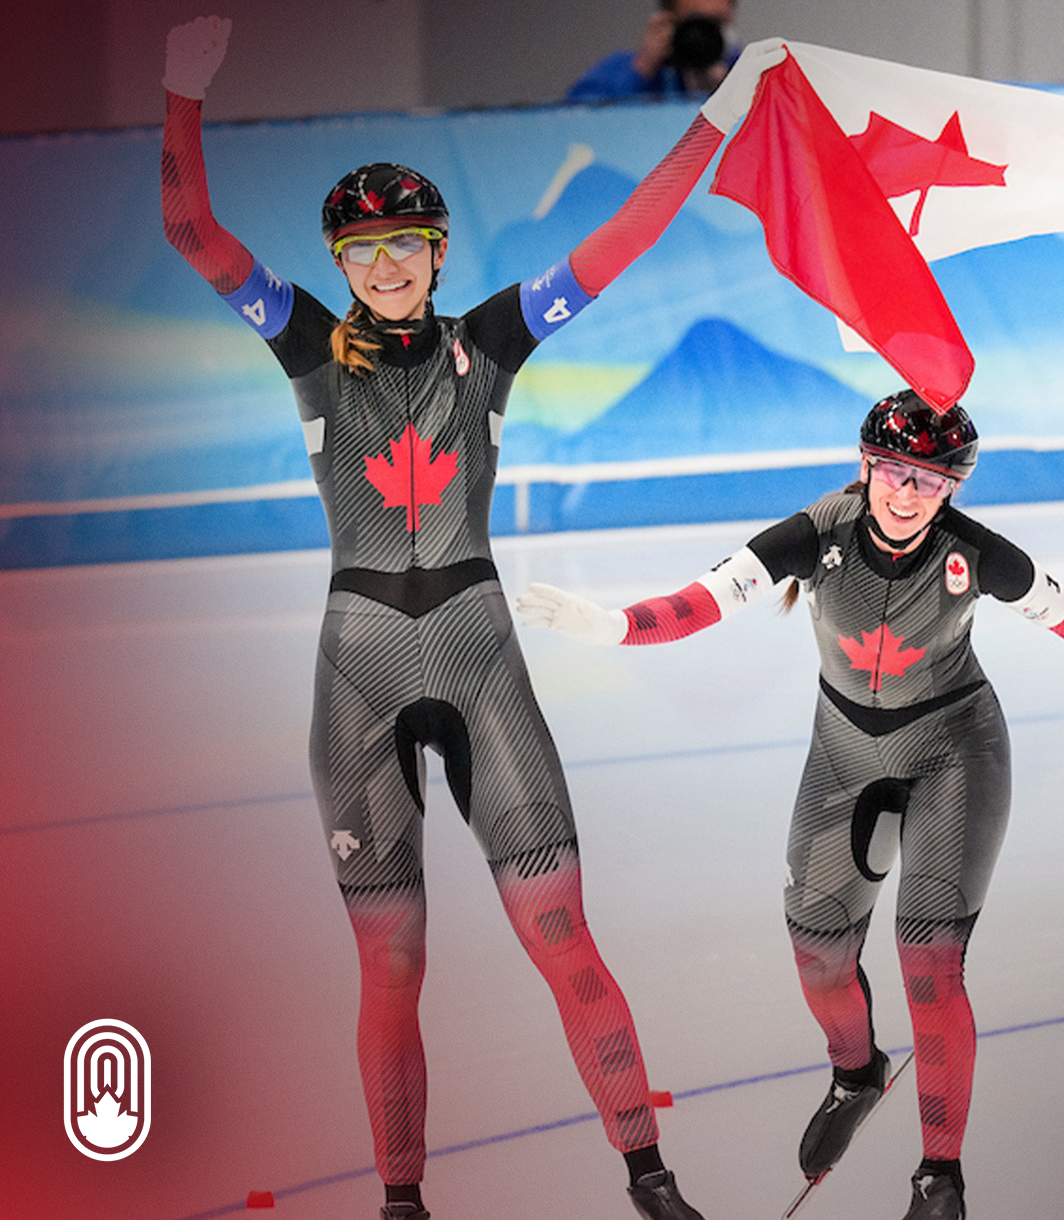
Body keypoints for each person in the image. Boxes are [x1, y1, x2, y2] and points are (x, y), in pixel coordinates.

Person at [158, 17, 779, 1220]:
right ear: (341, 261)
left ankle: (651, 1179)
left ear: (438, 252)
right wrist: (183, 89)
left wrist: (714, 116)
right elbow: (194, 234)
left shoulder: (490, 339)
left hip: (481, 661)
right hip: (360, 678)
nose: (385, 264)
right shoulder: (305, 341)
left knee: (563, 936)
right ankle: (402, 1203)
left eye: (405, 243)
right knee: (391, 963)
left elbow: (624, 239)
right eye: (363, 248)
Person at [517, 392, 1064, 1220]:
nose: (907, 494)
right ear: (865, 465)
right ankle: (856, 1073)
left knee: (929, 960)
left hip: (954, 753)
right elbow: (704, 602)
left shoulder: (977, 555)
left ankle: (940, 1180)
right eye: (894, 472)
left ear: (953, 489)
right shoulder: (814, 534)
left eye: (930, 482)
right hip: (844, 755)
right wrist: (613, 627)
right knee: (817, 953)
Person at [567, 0, 740, 103]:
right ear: (667, 20)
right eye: (695, 23)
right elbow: (575, 117)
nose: (705, 34)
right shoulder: (626, 67)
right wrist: (643, 67)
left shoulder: (745, 68)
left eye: (717, 22)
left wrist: (726, 88)